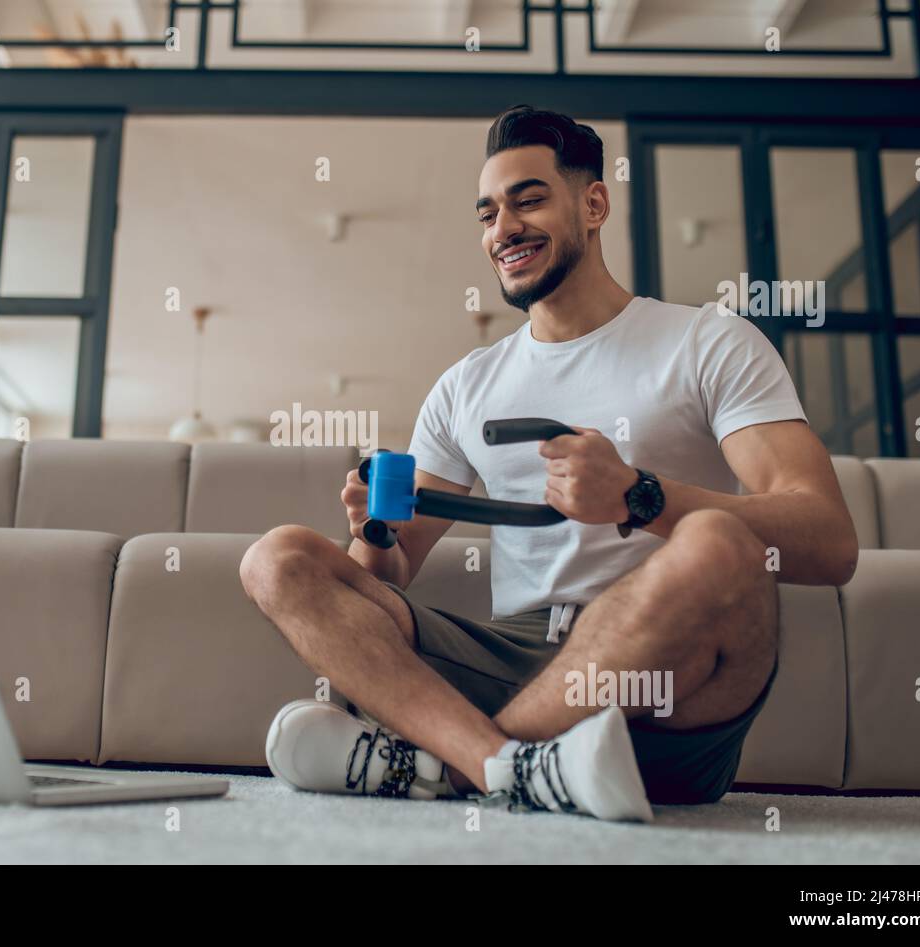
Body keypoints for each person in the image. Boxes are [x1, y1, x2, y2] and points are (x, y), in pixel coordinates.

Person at [239, 106, 858, 821]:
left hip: (664, 683)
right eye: (488, 213)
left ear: (593, 204)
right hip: (510, 661)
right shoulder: (466, 385)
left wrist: (639, 497)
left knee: (720, 546)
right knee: (276, 559)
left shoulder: (709, 342)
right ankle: (506, 767)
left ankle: (445, 765)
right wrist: (379, 531)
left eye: (528, 199)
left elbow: (829, 540)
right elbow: (385, 576)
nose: (502, 229)